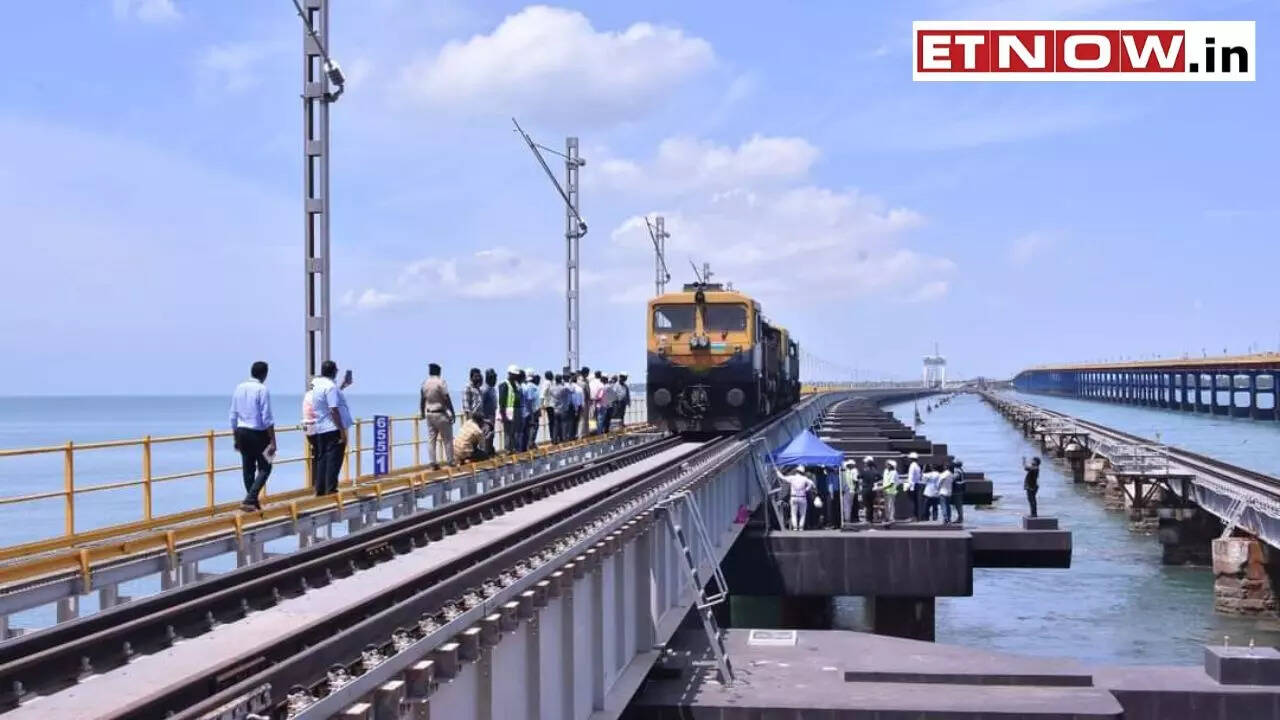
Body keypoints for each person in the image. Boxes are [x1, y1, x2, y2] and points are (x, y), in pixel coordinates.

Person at [229, 361, 276, 512]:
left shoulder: (239, 388)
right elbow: (267, 417)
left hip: (241, 431)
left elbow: (233, 416)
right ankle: (250, 499)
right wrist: (273, 441)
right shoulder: (262, 389)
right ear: (265, 374)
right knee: (266, 466)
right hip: (258, 433)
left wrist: (235, 438)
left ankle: (252, 502)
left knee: (248, 468)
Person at [311, 360, 353, 496]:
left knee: (322, 459)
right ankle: (331, 489)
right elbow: (333, 409)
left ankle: (320, 489)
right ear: (334, 371)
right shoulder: (330, 387)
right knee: (334, 459)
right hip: (332, 427)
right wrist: (342, 430)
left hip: (320, 427)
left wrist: (343, 384)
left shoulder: (317, 385)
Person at [419, 363, 456, 468]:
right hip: (440, 413)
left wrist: (422, 413)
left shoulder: (425, 383)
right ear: (438, 371)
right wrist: (452, 412)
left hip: (429, 414)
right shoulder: (441, 382)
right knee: (447, 439)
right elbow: (446, 398)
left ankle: (433, 462)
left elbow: (422, 399)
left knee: (431, 439)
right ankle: (450, 461)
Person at [776, 465, 816, 531]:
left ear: (796, 471)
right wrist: (806, 489)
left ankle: (795, 528)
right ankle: (801, 527)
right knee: (802, 514)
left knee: (793, 514)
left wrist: (777, 471)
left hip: (793, 497)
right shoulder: (804, 478)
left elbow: (782, 477)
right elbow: (811, 484)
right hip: (802, 498)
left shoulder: (792, 478)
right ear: (802, 472)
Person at [499, 365, 524, 453]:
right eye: (514, 374)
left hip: (516, 410)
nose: (516, 376)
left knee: (515, 431)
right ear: (510, 374)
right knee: (508, 432)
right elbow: (502, 401)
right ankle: (508, 450)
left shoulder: (515, 385)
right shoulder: (504, 384)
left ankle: (514, 449)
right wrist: (503, 415)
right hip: (508, 411)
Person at [481, 368, 499, 454]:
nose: (495, 379)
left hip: (492, 415)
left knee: (491, 435)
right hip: (486, 417)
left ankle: (490, 451)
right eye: (493, 377)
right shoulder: (484, 390)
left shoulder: (492, 389)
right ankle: (485, 453)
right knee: (486, 435)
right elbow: (481, 405)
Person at [523, 369, 541, 450]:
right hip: (533, 410)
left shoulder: (526, 386)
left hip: (530, 410)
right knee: (533, 427)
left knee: (531, 428)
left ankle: (530, 443)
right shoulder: (532, 386)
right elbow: (530, 399)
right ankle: (531, 444)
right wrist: (532, 413)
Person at [859, 457, 879, 524]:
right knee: (871, 504)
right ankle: (871, 519)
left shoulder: (864, 472)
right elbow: (880, 477)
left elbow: (858, 476)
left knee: (867, 505)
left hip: (865, 489)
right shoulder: (875, 472)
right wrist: (875, 480)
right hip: (872, 489)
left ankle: (868, 519)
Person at [840, 459, 860, 524]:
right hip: (851, 490)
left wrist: (843, 489)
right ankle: (848, 518)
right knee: (849, 505)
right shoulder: (849, 471)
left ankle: (847, 519)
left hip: (848, 490)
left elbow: (851, 481)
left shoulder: (846, 472)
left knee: (846, 505)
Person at [906, 452, 924, 520]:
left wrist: (909, 486)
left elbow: (910, 477)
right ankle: (916, 516)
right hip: (917, 484)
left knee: (911, 501)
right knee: (916, 502)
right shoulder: (917, 466)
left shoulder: (912, 465)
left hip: (912, 485)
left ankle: (912, 516)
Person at [541, 371, 557, 444]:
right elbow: (543, 393)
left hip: (551, 404)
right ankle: (553, 438)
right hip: (549, 404)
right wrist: (542, 403)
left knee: (553, 421)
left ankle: (554, 437)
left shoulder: (551, 382)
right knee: (552, 421)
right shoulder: (547, 383)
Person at [578, 367, 593, 438]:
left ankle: (586, 433)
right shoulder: (580, 381)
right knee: (582, 419)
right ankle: (581, 434)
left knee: (586, 418)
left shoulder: (586, 380)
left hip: (586, 401)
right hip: (583, 401)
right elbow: (586, 391)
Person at [571, 371, 586, 439]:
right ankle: (578, 435)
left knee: (571, 421)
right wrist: (582, 406)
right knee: (579, 421)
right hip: (579, 406)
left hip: (571, 407)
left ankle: (572, 435)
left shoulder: (569, 388)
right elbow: (582, 399)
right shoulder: (580, 388)